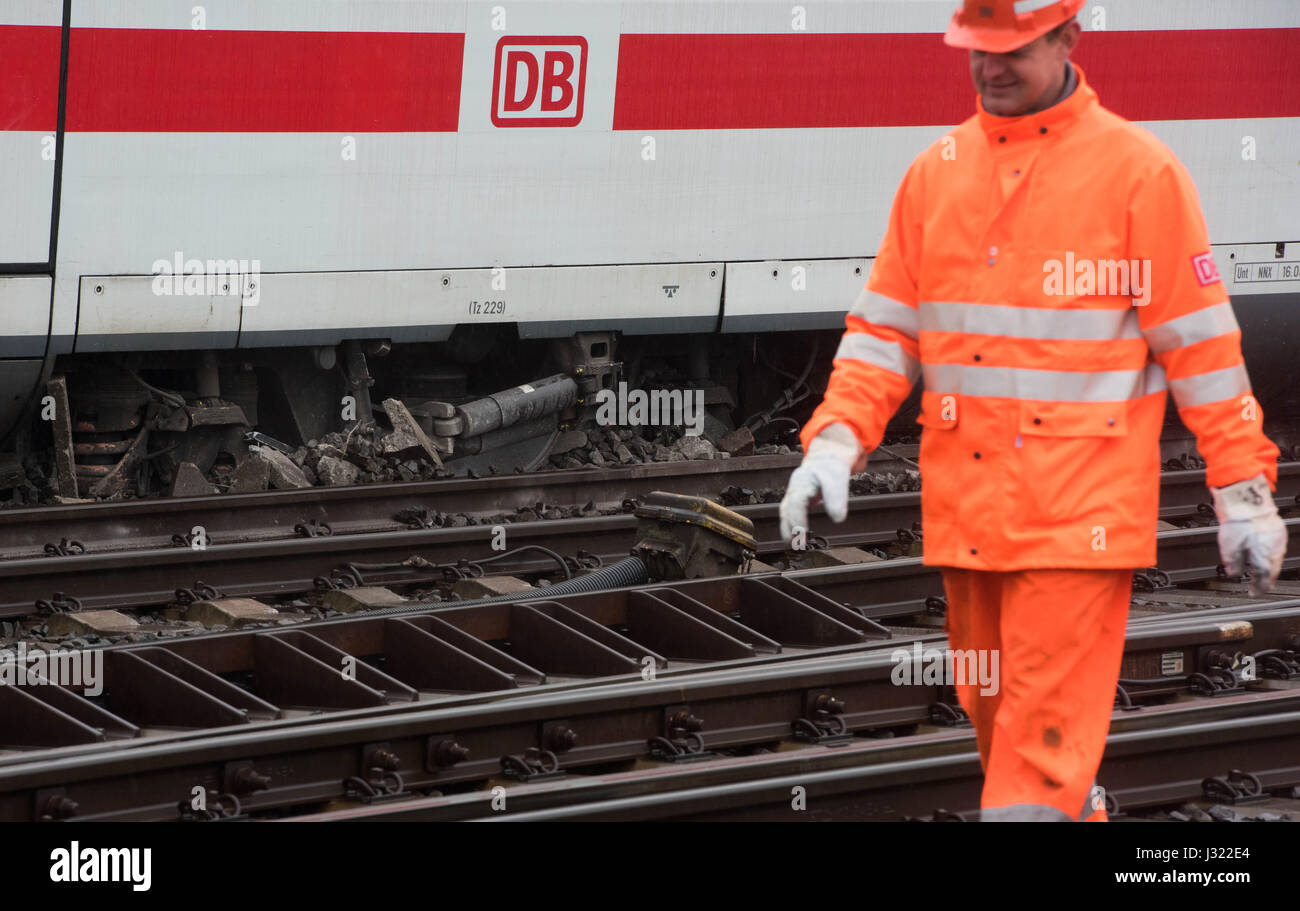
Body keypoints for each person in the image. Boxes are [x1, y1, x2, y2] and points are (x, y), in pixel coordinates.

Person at [779, 0, 1288, 821]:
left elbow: (1203, 352)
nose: (992, 67)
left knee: (1033, 767)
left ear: (1068, 39)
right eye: (979, 50)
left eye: (1013, 49)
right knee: (1001, 732)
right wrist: (835, 439)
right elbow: (884, 332)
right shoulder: (937, 173)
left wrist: (1244, 491)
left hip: (1079, 522)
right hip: (971, 522)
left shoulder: (1137, 173)